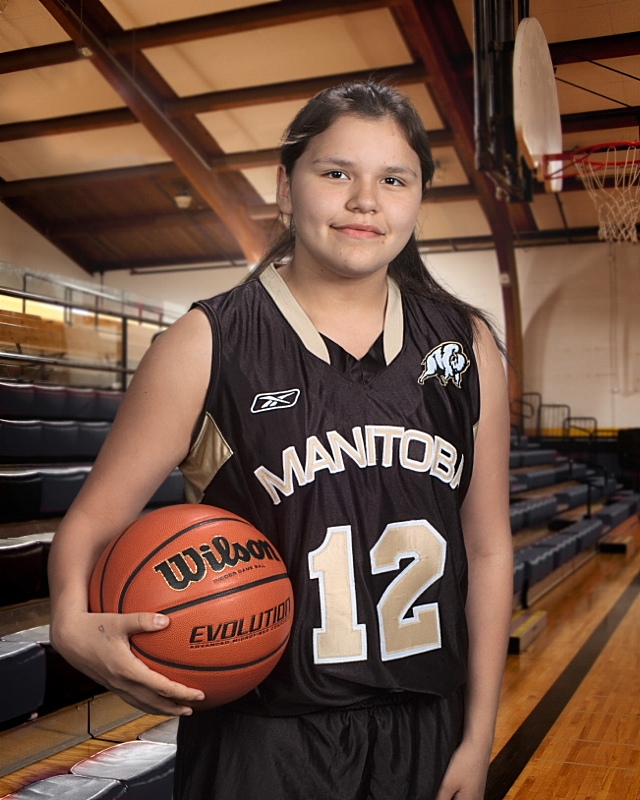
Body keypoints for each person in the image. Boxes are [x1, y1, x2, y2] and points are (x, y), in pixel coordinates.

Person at [49, 81, 514, 800]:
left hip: (426, 730)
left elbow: (485, 548)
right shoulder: (209, 341)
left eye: (394, 179)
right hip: (261, 743)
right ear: (285, 189)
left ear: (418, 198)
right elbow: (92, 522)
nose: (366, 200)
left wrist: (478, 737)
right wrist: (70, 624)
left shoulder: (465, 343)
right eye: (336, 173)